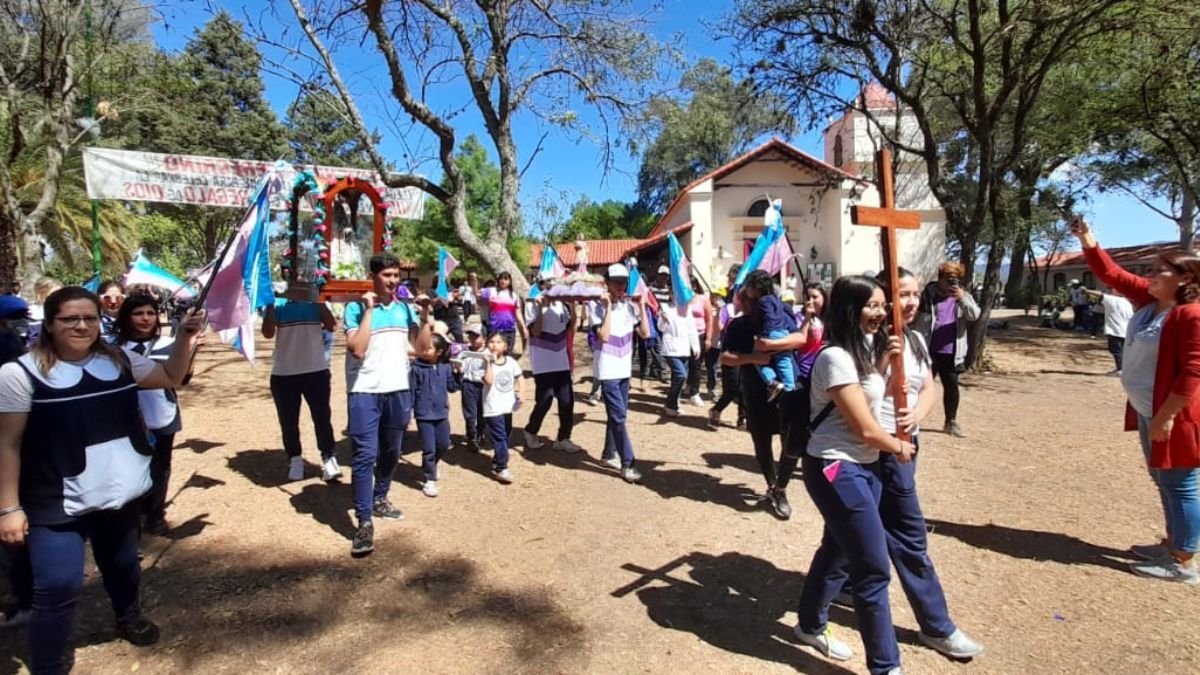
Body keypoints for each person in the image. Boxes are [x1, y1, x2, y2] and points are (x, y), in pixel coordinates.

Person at [0, 286, 204, 674]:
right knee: (58, 587)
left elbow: (171, 375)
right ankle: (48, 664)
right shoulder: (18, 373)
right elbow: (6, 444)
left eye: (90, 318)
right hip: (53, 501)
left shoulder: (119, 359)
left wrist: (184, 338)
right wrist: (8, 508)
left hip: (118, 496)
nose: (81, 325)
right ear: (50, 323)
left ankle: (128, 616)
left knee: (124, 566)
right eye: (70, 319)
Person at [824, 269, 985, 659]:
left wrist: (917, 415)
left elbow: (928, 384)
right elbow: (858, 399)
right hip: (878, 451)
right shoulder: (865, 343)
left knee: (845, 537)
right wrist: (883, 360)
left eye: (915, 294)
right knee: (909, 535)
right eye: (900, 295)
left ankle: (826, 599)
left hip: (907, 444)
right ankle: (937, 625)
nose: (910, 302)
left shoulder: (914, 338)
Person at [792, 275, 914, 673]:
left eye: (883, 305)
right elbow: (862, 426)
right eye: (872, 306)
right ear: (849, 308)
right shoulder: (834, 358)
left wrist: (882, 362)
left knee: (838, 550)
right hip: (834, 465)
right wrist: (899, 447)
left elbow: (868, 397)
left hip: (864, 466)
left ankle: (809, 624)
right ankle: (886, 666)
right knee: (873, 567)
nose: (881, 313)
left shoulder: (862, 347)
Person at [1073, 217, 1200, 584]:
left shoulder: (1189, 314)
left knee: (1181, 483)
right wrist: (1087, 238)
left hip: (1175, 414)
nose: (1151, 274)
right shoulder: (1151, 300)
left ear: (1186, 279)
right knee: (1162, 479)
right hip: (1150, 409)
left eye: (1161, 271)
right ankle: (1173, 542)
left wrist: (1166, 416)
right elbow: (1112, 274)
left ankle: (1182, 560)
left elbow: (1193, 372)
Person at [343, 253, 433, 557]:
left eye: (396, 276)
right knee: (364, 455)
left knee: (392, 452)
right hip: (364, 392)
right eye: (387, 276)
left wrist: (424, 318)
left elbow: (422, 350)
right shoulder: (355, 308)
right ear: (374, 277)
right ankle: (364, 521)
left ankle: (380, 498)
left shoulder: (405, 310)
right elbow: (356, 349)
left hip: (397, 390)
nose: (393, 281)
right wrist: (369, 310)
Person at [115, 294, 195, 536]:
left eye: (150, 313)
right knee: (131, 465)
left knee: (161, 467)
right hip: (127, 419)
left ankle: (155, 513)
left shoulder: (170, 344)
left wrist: (191, 351)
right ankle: (132, 513)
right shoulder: (113, 349)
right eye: (138, 313)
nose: (145, 318)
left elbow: (183, 378)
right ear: (127, 317)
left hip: (162, 414)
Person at [262, 296, 339, 483]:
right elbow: (268, 333)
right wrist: (270, 304)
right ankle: (295, 458)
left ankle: (329, 457)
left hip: (316, 371)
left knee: (322, 417)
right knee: (288, 421)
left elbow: (332, 326)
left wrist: (318, 299)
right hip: (284, 373)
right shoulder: (278, 303)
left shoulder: (316, 302)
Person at [590, 264, 651, 483]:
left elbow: (645, 333)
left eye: (623, 282)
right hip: (607, 370)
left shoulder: (629, 307)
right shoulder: (595, 307)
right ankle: (628, 463)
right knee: (618, 417)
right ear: (607, 283)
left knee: (617, 416)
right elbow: (604, 336)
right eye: (616, 281)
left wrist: (642, 308)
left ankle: (609, 454)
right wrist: (606, 308)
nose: (620, 286)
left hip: (624, 369)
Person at [916, 262, 980, 438]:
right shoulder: (927, 295)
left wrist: (962, 299)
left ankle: (950, 422)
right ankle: (911, 420)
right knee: (919, 386)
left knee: (951, 387)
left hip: (951, 352)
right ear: (940, 278)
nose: (952, 283)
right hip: (928, 350)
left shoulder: (962, 296)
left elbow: (974, 315)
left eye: (956, 279)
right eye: (948, 279)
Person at [523, 284, 582, 452]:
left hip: (561, 359)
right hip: (543, 361)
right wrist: (541, 308)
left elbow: (571, 328)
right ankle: (531, 430)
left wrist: (572, 307)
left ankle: (563, 438)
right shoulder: (533, 303)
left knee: (566, 401)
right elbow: (536, 332)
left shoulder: (562, 305)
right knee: (545, 399)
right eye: (548, 284)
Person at [410, 333, 460, 498]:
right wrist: (408, 413)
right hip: (424, 415)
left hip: (441, 414)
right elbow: (411, 392)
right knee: (429, 448)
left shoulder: (445, 368)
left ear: (439, 351)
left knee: (444, 443)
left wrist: (458, 373)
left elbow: (452, 387)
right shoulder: (416, 368)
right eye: (422, 347)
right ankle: (429, 478)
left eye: (429, 348)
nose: (424, 350)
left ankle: (431, 466)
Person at [743, 279, 798, 401]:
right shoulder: (777, 300)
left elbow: (769, 318)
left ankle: (772, 381)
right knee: (784, 360)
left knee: (758, 357)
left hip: (772, 333)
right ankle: (789, 387)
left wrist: (766, 334)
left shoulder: (763, 301)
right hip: (783, 332)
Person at [482, 332, 524, 483]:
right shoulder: (485, 363)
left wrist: (522, 393)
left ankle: (497, 460)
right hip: (492, 407)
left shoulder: (511, 361)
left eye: (498, 342)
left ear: (505, 346)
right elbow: (488, 381)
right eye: (491, 342)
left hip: (507, 406)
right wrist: (487, 363)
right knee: (499, 436)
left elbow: (520, 377)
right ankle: (501, 467)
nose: (494, 345)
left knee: (507, 435)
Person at [658, 286, 700, 417]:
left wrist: (696, 346)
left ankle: (675, 403)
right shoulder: (665, 308)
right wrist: (663, 320)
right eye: (674, 294)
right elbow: (661, 328)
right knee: (681, 375)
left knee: (678, 378)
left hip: (684, 348)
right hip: (671, 348)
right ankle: (670, 404)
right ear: (670, 294)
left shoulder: (687, 310)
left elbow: (691, 329)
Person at [472, 271, 527, 353]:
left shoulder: (514, 296)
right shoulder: (491, 291)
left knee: (507, 354)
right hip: (495, 330)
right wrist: (474, 281)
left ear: (510, 281)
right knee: (494, 354)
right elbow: (477, 293)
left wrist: (524, 328)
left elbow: (518, 314)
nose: (503, 281)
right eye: (501, 278)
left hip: (510, 331)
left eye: (506, 279)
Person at [1085, 288, 1133, 375]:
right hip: (1127, 330)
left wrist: (1086, 290)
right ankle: (1124, 368)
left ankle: (1121, 370)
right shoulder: (1127, 302)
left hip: (1116, 330)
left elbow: (1100, 294)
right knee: (1122, 350)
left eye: (1112, 289)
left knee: (1116, 350)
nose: (1110, 291)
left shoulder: (1112, 299)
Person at [683, 280, 715, 405]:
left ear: (695, 286)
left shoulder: (703, 299)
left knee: (696, 364)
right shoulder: (682, 299)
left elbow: (709, 319)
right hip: (684, 335)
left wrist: (708, 338)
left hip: (699, 335)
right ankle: (687, 385)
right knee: (686, 364)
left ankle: (695, 392)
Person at [459, 321, 487, 452]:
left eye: (476, 336)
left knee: (482, 412)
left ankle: (480, 434)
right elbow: (460, 367)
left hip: (482, 386)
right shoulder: (464, 352)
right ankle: (472, 436)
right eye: (470, 335)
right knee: (470, 413)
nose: (472, 338)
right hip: (468, 384)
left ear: (484, 338)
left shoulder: (488, 354)